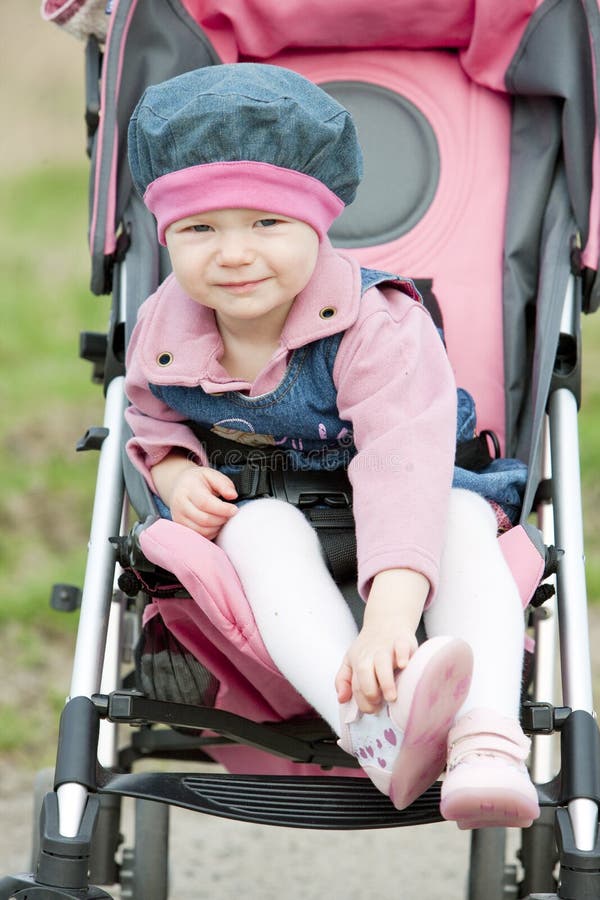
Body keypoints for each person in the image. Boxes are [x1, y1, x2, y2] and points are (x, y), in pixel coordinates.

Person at [125, 62, 539, 829]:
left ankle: (485, 738)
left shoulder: (373, 321)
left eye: (267, 224)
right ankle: (373, 732)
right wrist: (178, 472)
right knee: (256, 530)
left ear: (318, 222)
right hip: (274, 508)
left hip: (414, 500)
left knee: (464, 525)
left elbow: (402, 465)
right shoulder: (165, 324)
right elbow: (150, 416)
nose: (233, 254)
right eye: (198, 229)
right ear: (167, 236)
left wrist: (388, 617)